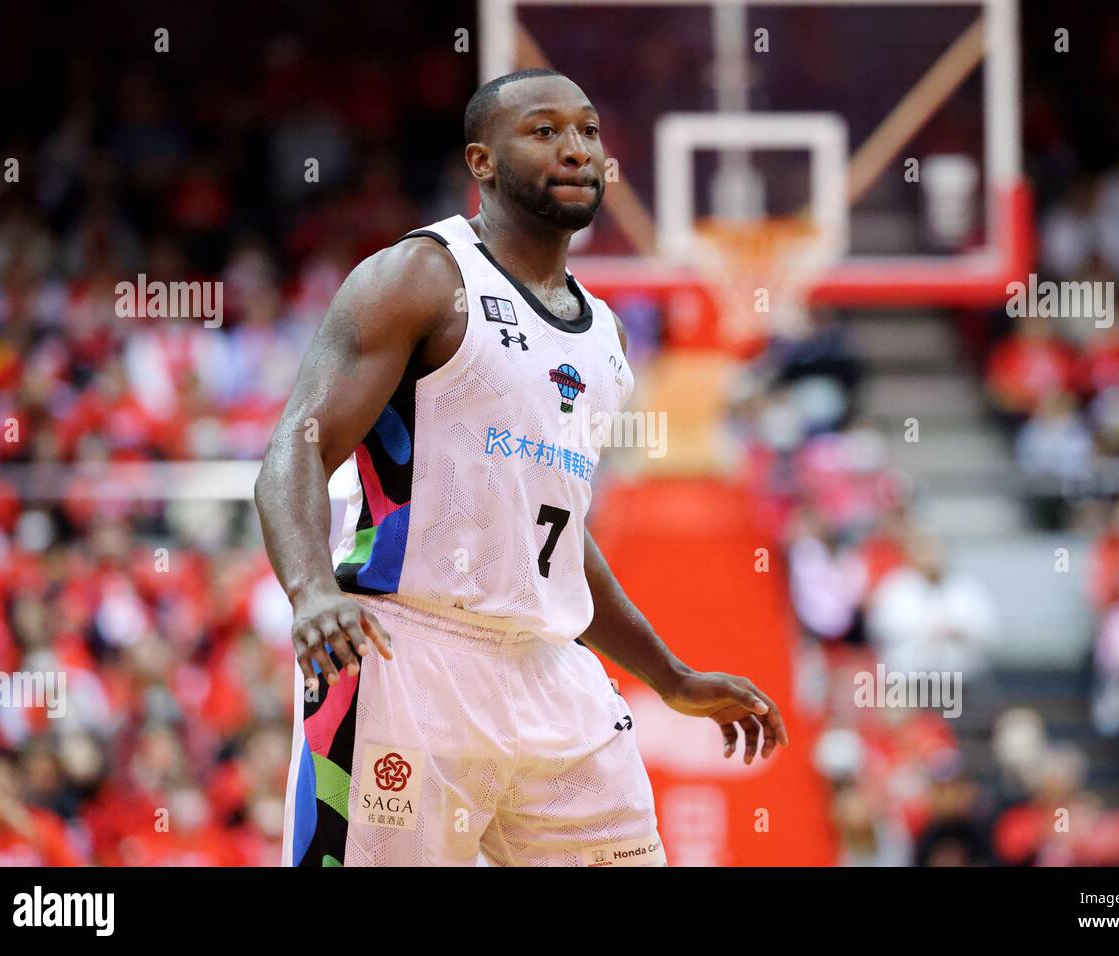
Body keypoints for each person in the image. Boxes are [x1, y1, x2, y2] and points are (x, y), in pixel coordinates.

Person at [256, 69, 787, 867]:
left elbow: (562, 538)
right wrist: (309, 591)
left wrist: (670, 677)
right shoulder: (422, 277)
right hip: (408, 654)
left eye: (589, 131)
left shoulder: (606, 335)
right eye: (544, 131)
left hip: (552, 671)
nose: (576, 149)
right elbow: (294, 447)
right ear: (482, 162)